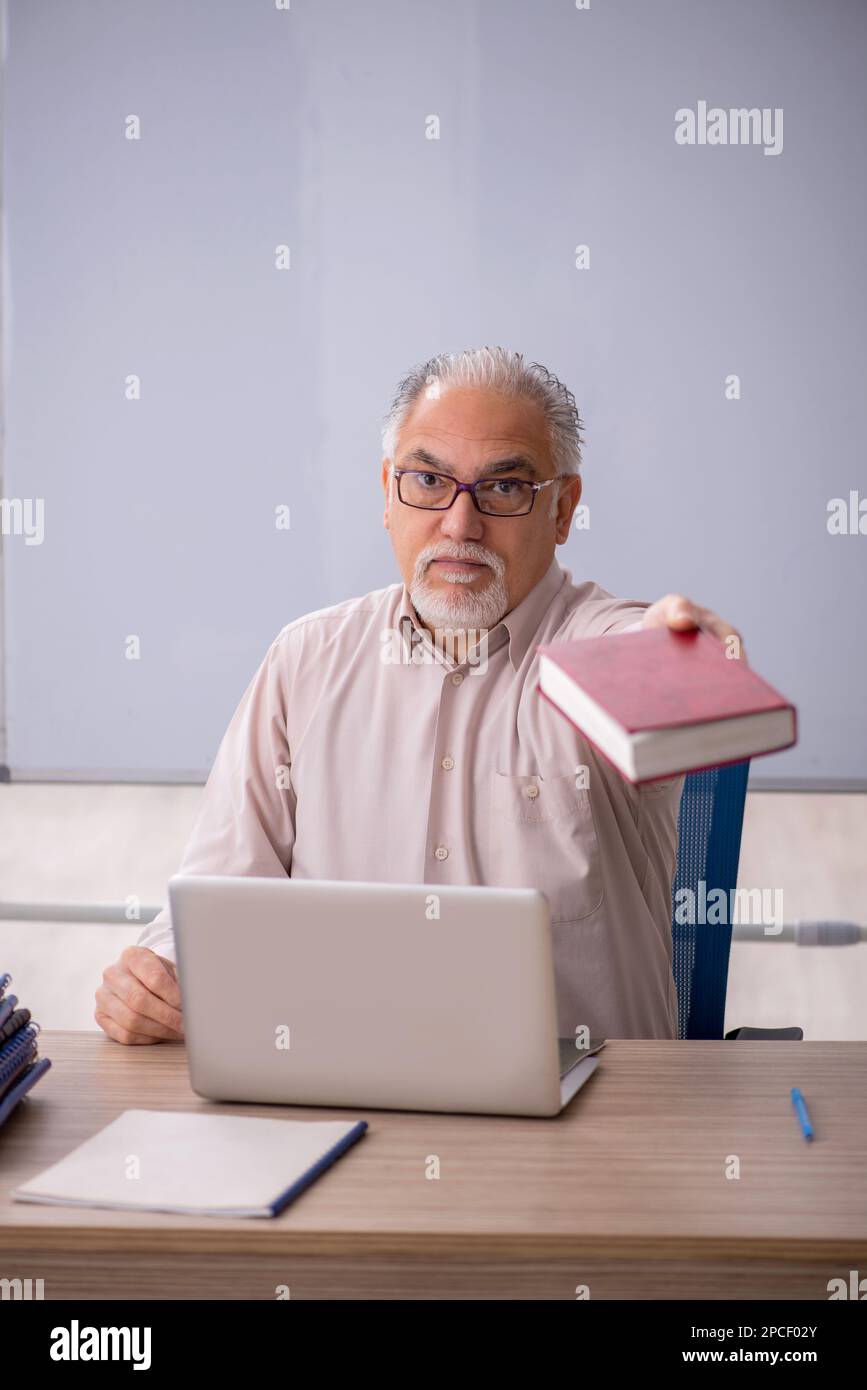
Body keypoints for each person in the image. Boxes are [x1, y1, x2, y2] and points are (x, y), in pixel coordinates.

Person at [96, 346, 743, 1045]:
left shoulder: (597, 652)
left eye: (503, 489)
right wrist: (158, 977)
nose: (460, 526)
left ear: (561, 510)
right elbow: (214, 904)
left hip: (593, 1119)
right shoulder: (305, 660)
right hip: (344, 1092)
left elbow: (656, 660)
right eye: (429, 480)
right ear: (387, 492)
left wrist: (675, 650)